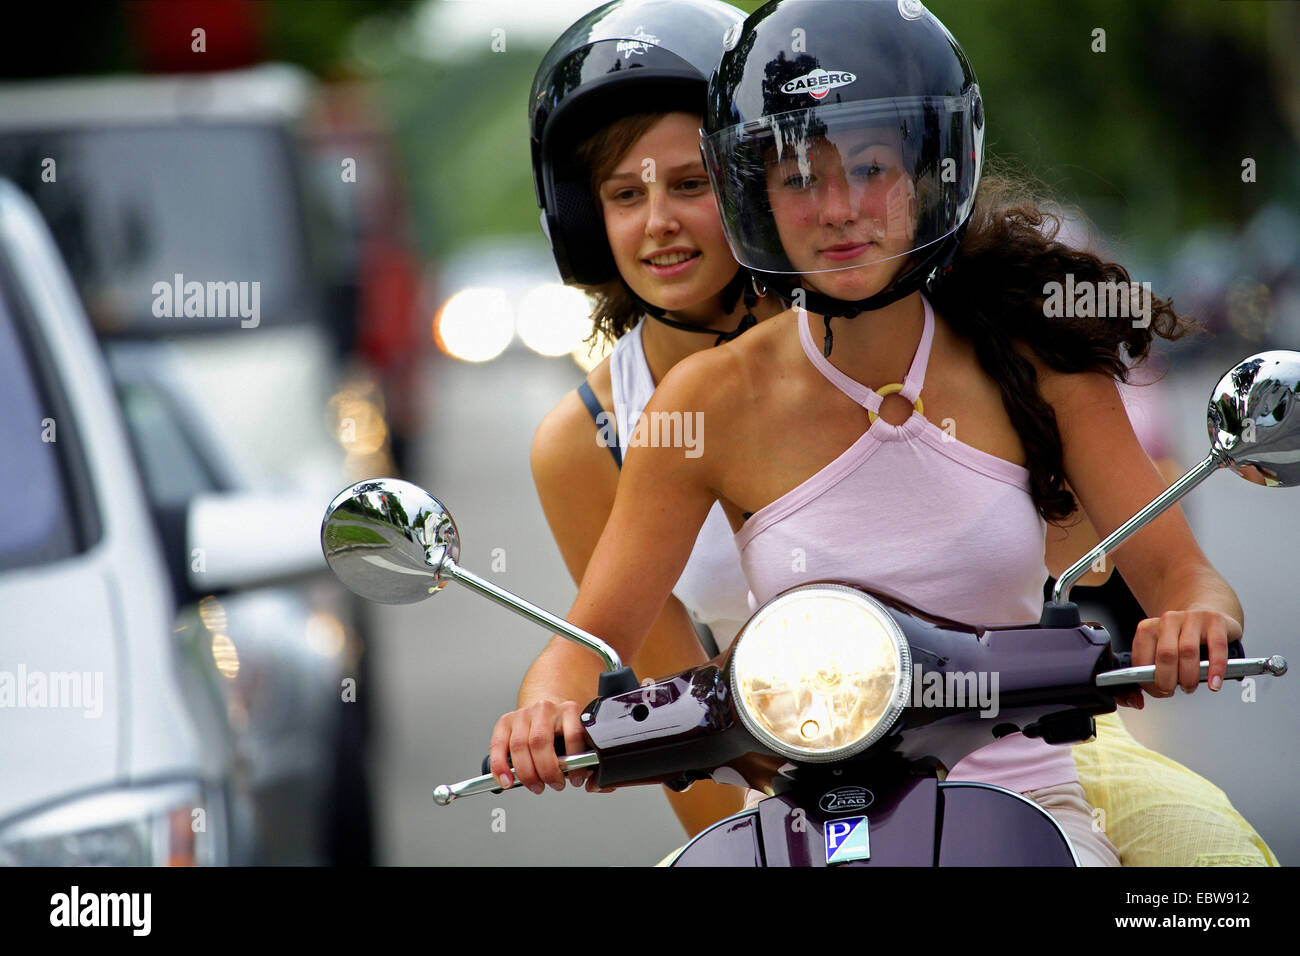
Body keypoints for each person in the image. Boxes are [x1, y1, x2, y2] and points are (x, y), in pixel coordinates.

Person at [511, 0, 1276, 865]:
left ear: (929, 172)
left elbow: (1185, 576)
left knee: (1215, 878)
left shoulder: (1037, 356)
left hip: (1030, 801)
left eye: (870, 168)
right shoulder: (702, 405)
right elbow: (593, 639)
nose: (838, 208)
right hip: (812, 819)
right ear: (755, 195)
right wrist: (544, 705)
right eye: (800, 176)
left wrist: (1193, 622)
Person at [523, 0, 779, 835]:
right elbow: (685, 732)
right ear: (583, 220)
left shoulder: (849, 342)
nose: (658, 221)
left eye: (690, 184)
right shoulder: (587, 438)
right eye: (625, 194)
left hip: (984, 752)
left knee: (1196, 842)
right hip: (782, 799)